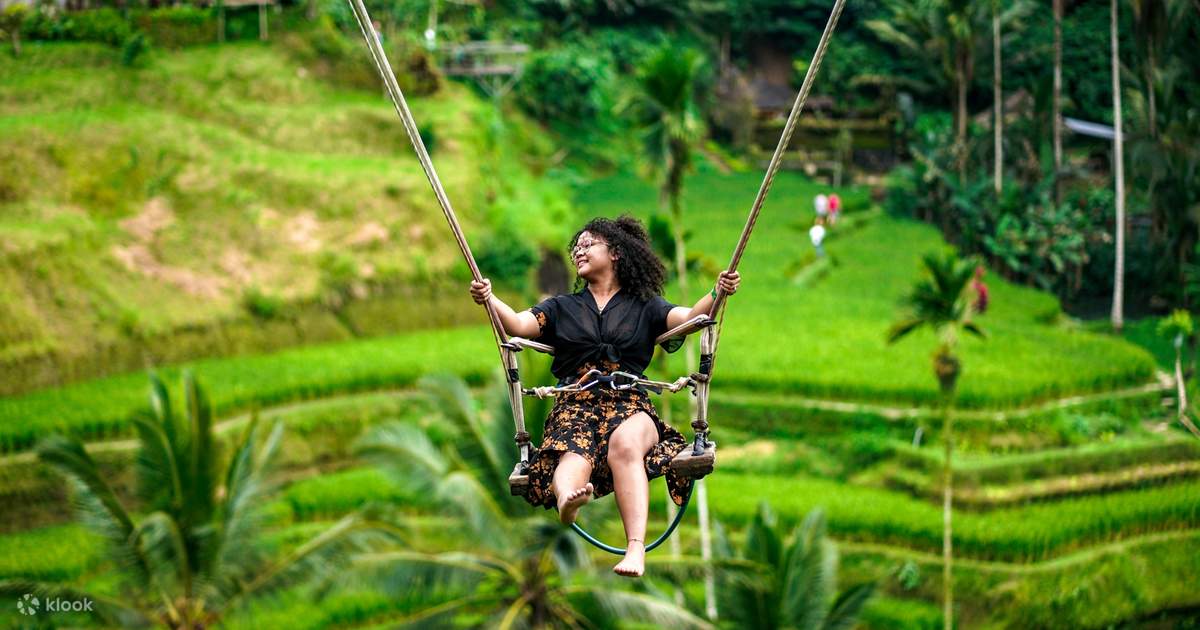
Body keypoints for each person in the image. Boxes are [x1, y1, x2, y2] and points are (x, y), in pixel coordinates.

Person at [469, 215, 740, 578]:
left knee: (626, 444)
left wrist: (716, 293)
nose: (579, 250)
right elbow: (517, 326)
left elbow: (690, 319)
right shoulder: (560, 307)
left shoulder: (646, 306)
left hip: (629, 403)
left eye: (588, 244)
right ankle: (568, 501)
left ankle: (635, 549)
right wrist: (490, 300)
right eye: (575, 247)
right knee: (571, 455)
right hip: (576, 404)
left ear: (615, 253)